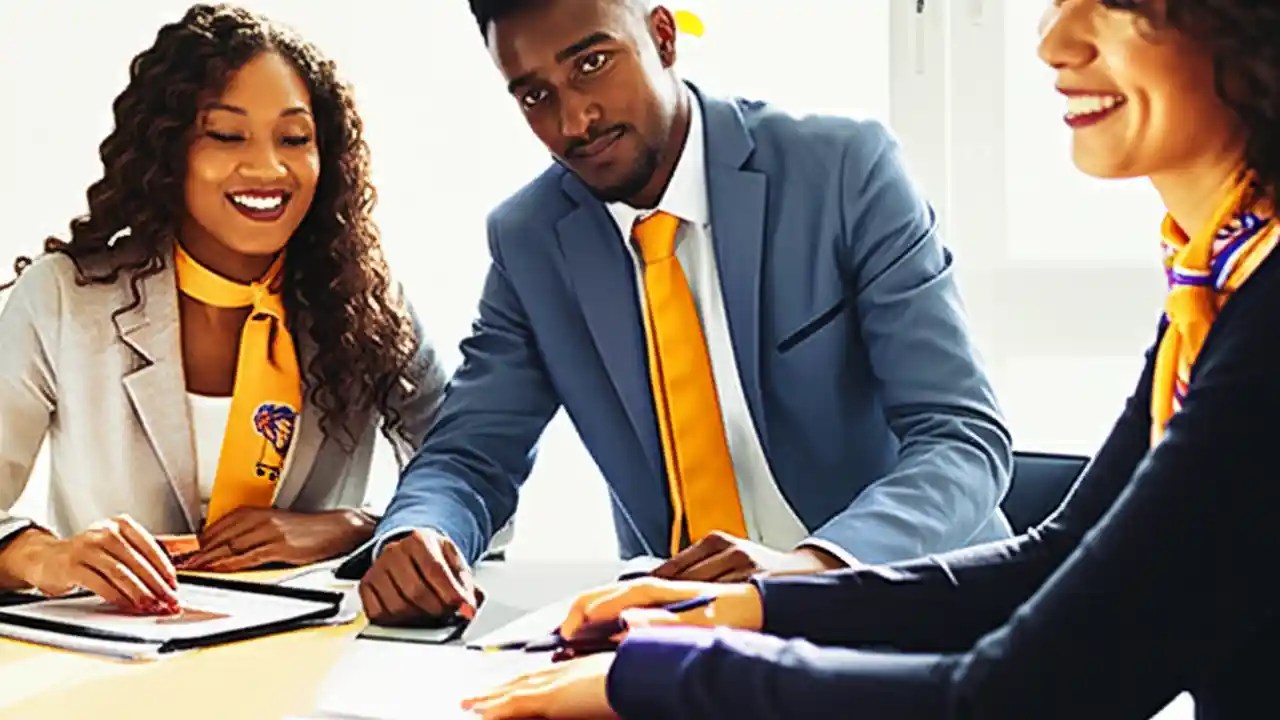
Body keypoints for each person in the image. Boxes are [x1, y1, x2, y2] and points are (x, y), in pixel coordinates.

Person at [459, 0, 1280, 717]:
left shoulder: (1261, 318)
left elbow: (1021, 692)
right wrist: (741, 610)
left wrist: (657, 675)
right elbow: (1050, 554)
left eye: (1117, 0)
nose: (1053, 40)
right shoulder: (1211, 297)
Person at [353, 0, 1013, 625]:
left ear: (663, 37)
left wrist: (811, 568)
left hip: (906, 612)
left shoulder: (841, 170)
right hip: (692, 643)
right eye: (535, 95)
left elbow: (962, 438)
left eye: (592, 63)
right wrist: (420, 531)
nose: (573, 120)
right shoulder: (532, 239)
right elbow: (471, 458)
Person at [0, 3, 444, 614]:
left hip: (310, 661)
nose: (268, 167)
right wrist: (49, 558)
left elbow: (477, 496)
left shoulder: (362, 301)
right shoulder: (63, 298)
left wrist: (357, 526)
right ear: (169, 148)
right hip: (115, 665)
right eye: (227, 135)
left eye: (294, 139)